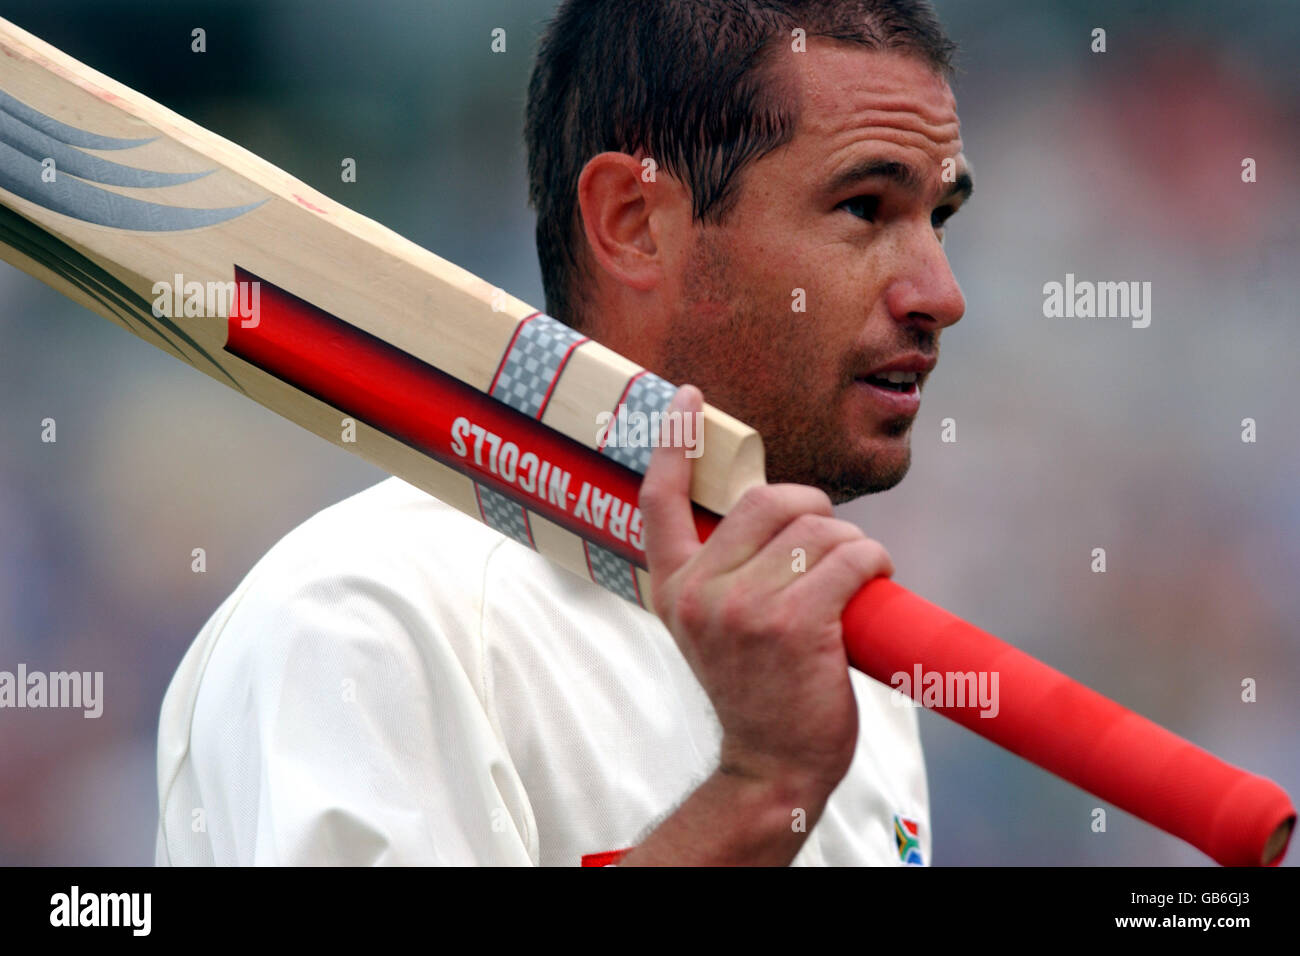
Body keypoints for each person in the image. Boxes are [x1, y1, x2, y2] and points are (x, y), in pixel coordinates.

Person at [155, 0, 971, 866]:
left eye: (939, 218)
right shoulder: (367, 618)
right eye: (864, 207)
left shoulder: (835, 648)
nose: (941, 293)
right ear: (633, 221)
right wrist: (762, 791)